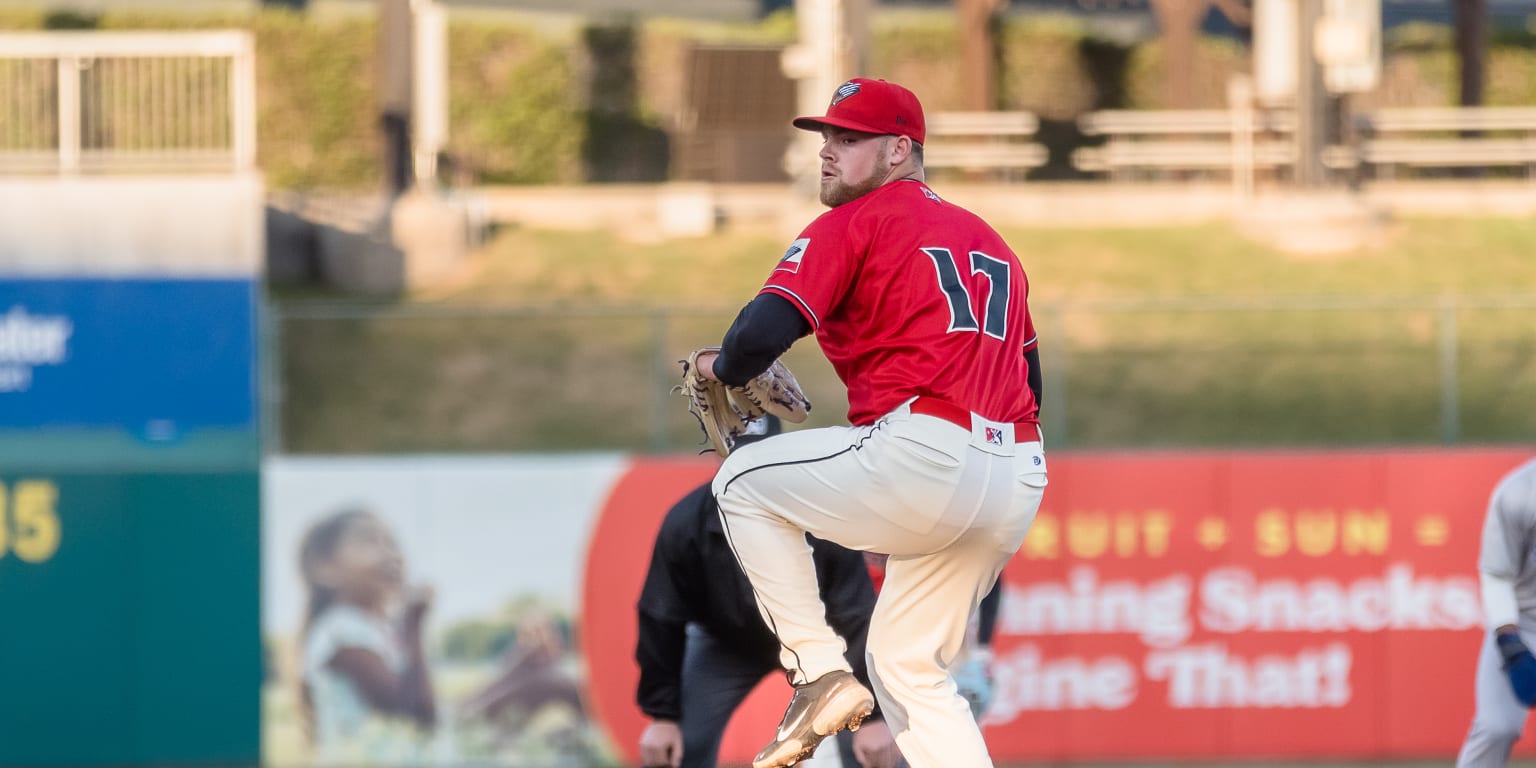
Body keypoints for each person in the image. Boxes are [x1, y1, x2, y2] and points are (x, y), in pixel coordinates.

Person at [694, 77, 1047, 768]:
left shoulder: (854, 222)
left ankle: (818, 673)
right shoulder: (993, 243)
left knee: (739, 481)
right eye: (826, 137)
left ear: (899, 152)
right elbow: (1029, 381)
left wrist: (722, 368)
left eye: (848, 139)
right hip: (1017, 474)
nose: (827, 152)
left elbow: (762, 331)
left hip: (925, 452)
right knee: (907, 668)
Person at [636, 417, 903, 768]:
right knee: (681, 745)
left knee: (869, 746)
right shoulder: (687, 523)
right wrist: (662, 716)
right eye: (739, 460)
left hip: (824, 645)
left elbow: (856, 615)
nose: (750, 472)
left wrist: (875, 718)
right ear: (720, 458)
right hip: (729, 645)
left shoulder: (825, 513)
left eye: (761, 458)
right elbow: (661, 616)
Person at [297, 507, 436, 765]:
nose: (390, 554)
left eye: (391, 543)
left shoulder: (383, 631)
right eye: (369, 540)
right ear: (325, 568)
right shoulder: (340, 631)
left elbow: (430, 712)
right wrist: (413, 624)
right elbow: (413, 715)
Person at [1457, 457, 1536, 767]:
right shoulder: (1519, 492)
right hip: (1524, 623)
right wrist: (1510, 642)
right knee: (1495, 728)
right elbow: (1496, 574)